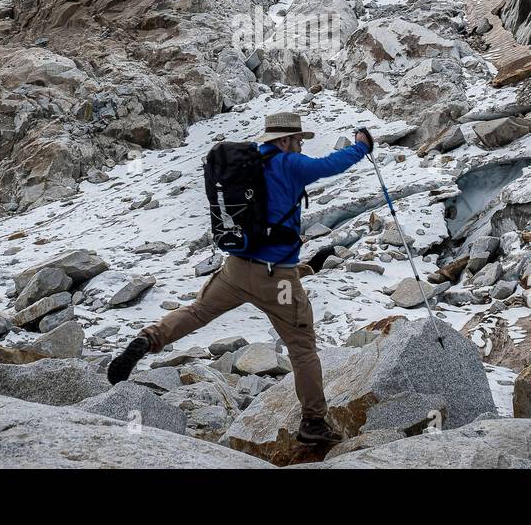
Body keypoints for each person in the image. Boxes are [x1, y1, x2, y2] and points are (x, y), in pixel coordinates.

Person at [106, 111, 374, 445]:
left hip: (235, 269)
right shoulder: (289, 165)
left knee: (196, 312)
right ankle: (313, 424)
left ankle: (147, 340)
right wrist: (362, 147)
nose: (302, 148)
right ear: (287, 140)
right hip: (277, 281)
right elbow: (330, 165)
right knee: (302, 346)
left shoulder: (250, 161)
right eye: (298, 141)